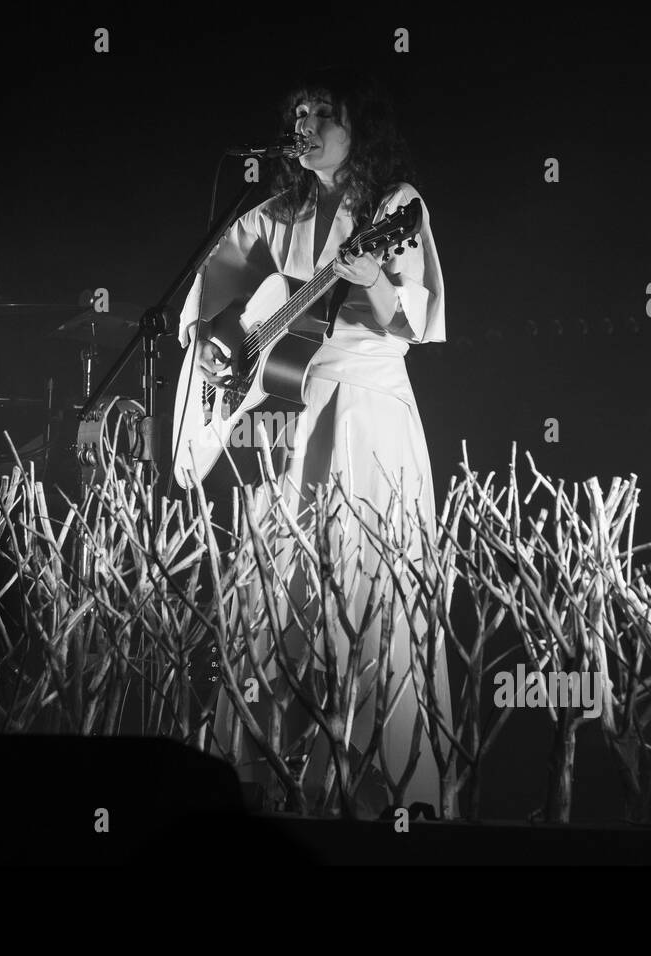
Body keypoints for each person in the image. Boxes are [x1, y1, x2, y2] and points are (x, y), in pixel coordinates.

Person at [176, 66, 453, 817]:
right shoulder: (272, 212)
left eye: (321, 111)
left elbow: (409, 318)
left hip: (364, 406)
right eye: (295, 112)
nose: (304, 123)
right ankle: (263, 785)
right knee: (278, 585)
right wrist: (211, 341)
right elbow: (208, 295)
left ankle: (387, 795)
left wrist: (371, 280)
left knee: (366, 584)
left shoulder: (393, 207)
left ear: (357, 125)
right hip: (284, 414)